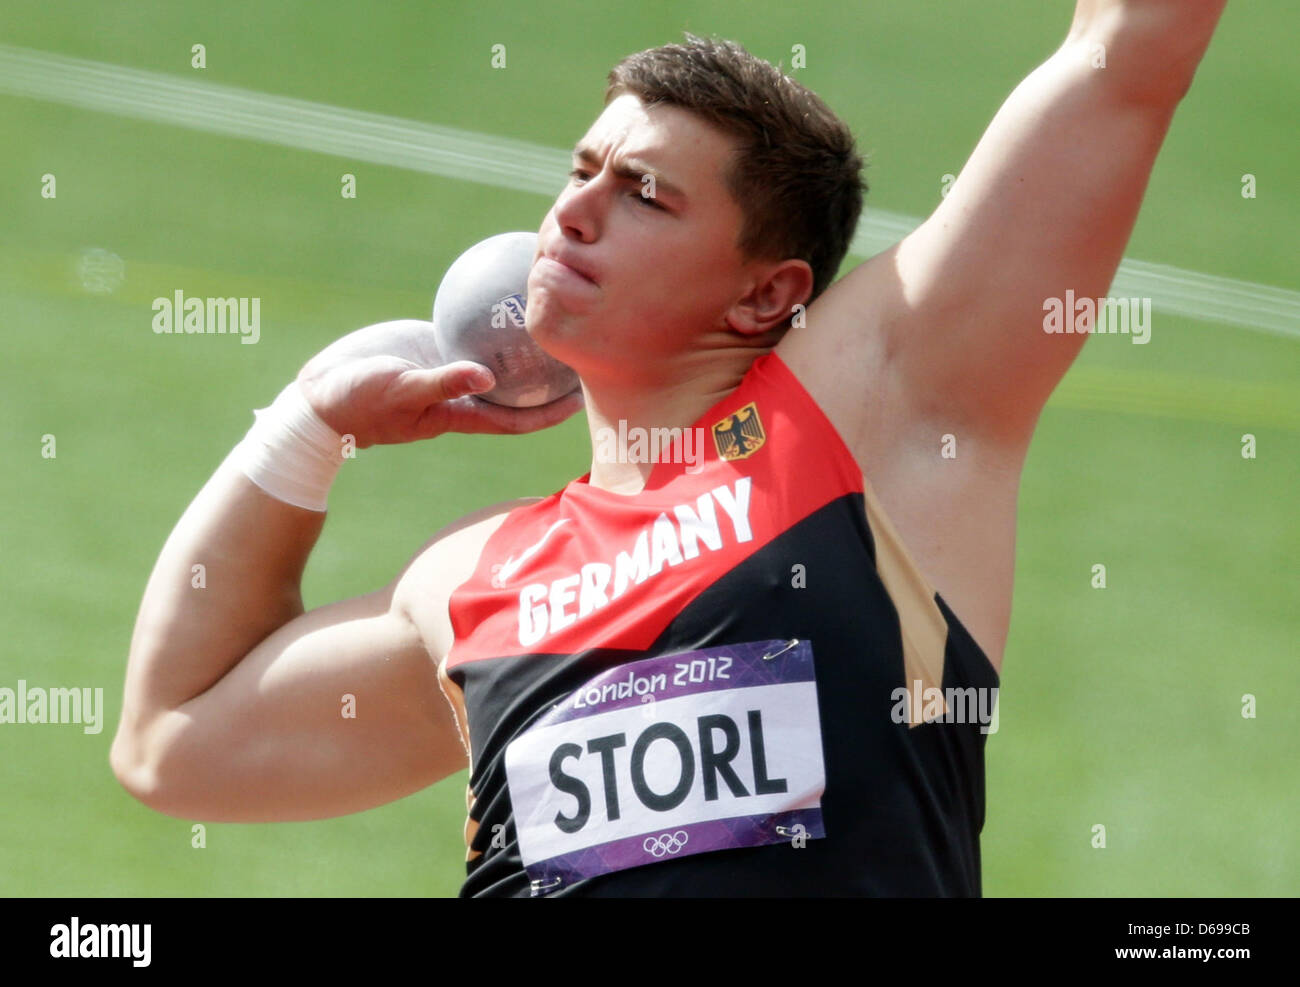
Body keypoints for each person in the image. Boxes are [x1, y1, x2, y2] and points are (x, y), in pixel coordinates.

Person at [111, 3, 1227, 896]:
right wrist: (310, 424)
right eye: (581, 170)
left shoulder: (872, 410)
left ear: (766, 295)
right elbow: (173, 742)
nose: (573, 213)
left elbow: (1125, 54)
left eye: (642, 193)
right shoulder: (473, 581)